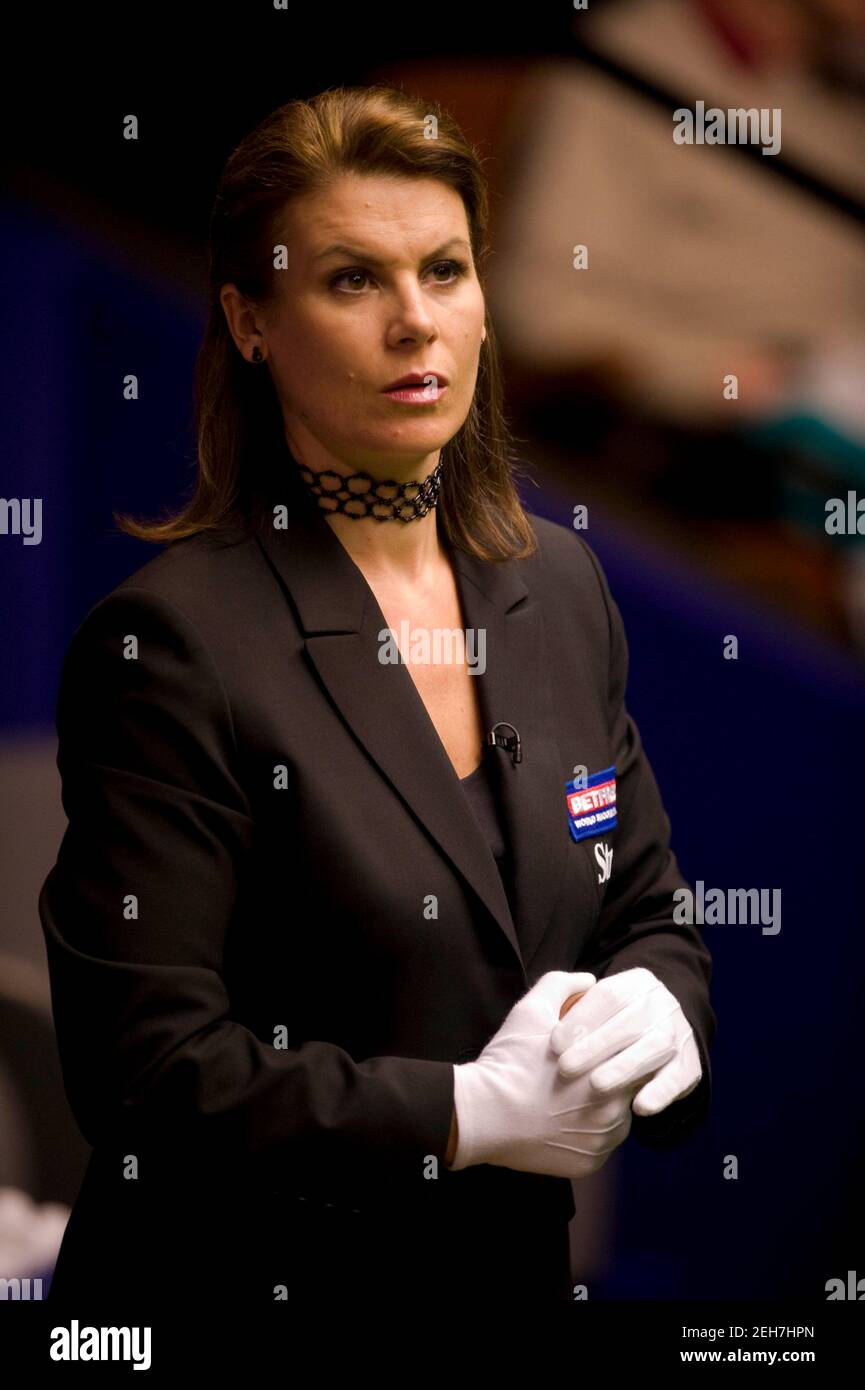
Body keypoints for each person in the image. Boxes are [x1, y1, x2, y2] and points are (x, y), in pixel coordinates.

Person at [39, 85, 716, 1314]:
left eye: (446, 270)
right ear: (251, 321)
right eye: (353, 280)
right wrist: (466, 1112)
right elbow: (146, 1075)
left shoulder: (556, 585)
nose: (418, 323)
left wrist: (665, 1009)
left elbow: (644, 910)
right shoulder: (175, 641)